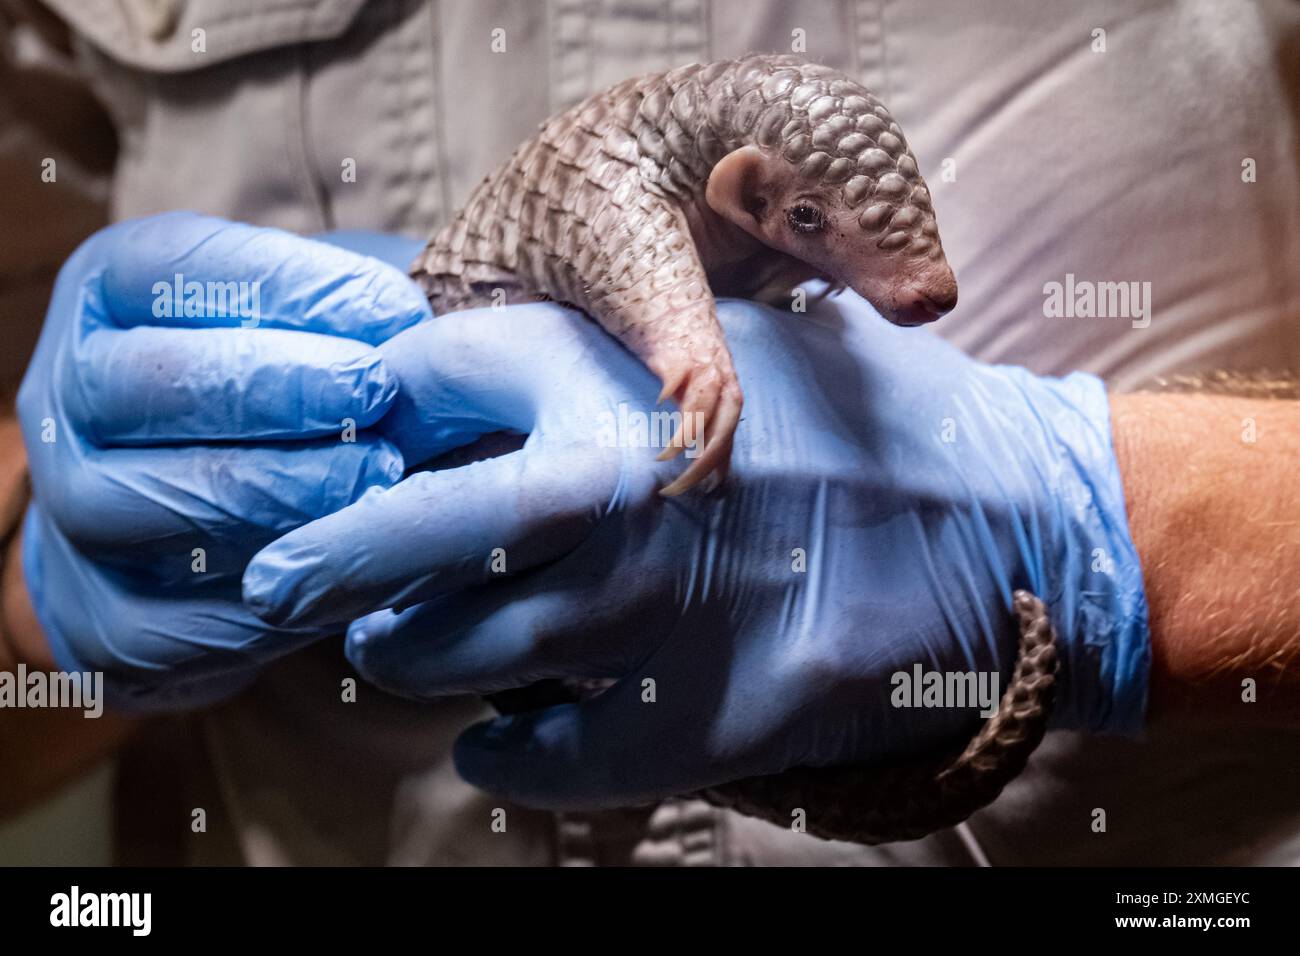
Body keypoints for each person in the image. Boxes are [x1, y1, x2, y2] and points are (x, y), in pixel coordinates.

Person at [1, 0, 1296, 866]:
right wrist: (42, 595)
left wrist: (1097, 531)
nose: (919, 300)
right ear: (748, 194)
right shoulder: (626, 182)